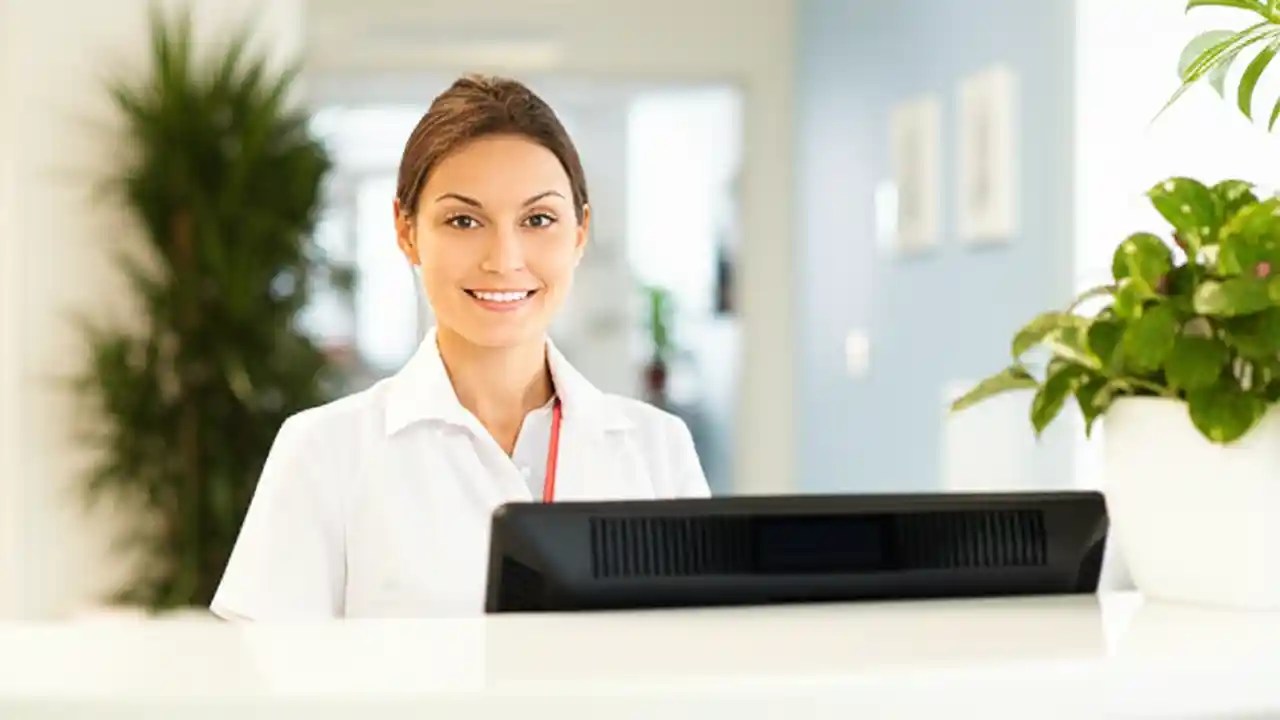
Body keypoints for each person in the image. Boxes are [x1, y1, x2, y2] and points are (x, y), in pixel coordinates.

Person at [210, 75, 711, 620]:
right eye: (463, 220)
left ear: (580, 232)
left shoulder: (658, 450)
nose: (503, 257)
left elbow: (698, 667)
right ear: (406, 231)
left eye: (538, 219)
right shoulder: (324, 450)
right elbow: (268, 688)